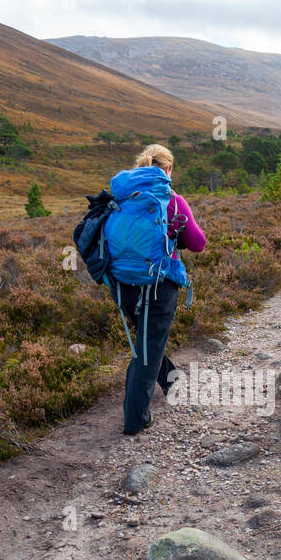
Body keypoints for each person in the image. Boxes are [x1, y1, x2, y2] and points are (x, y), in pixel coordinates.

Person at [106, 144, 206, 435]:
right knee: (147, 350)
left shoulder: (121, 197)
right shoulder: (172, 200)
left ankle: (173, 382)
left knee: (148, 341)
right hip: (158, 286)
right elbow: (198, 243)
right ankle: (135, 419)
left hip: (122, 285)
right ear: (169, 169)